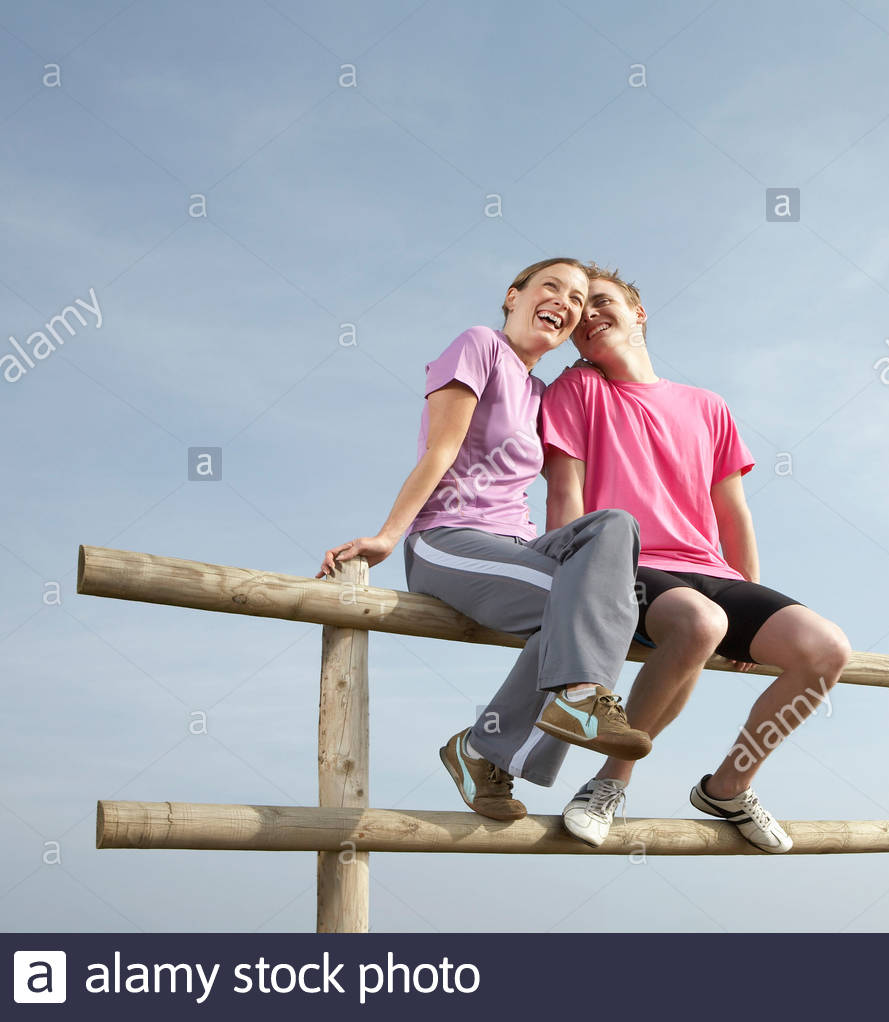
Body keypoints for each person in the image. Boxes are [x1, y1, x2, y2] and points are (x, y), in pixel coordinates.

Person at [317, 258, 651, 822]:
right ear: (513, 296)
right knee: (585, 612)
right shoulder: (479, 346)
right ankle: (561, 710)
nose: (566, 303)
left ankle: (482, 748)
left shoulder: (541, 392)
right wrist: (388, 537)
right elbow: (441, 450)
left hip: (517, 546)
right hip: (449, 536)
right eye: (553, 288)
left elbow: (584, 473)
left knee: (612, 529)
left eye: (577, 300)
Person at [540, 265, 852, 853]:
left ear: (640, 313)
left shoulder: (708, 406)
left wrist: (749, 598)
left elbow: (732, 512)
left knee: (825, 648)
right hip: (621, 564)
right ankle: (612, 780)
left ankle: (729, 786)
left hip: (711, 571)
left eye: (604, 302)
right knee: (699, 623)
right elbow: (565, 494)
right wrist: (567, 583)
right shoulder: (577, 390)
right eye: (581, 316)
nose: (591, 317)